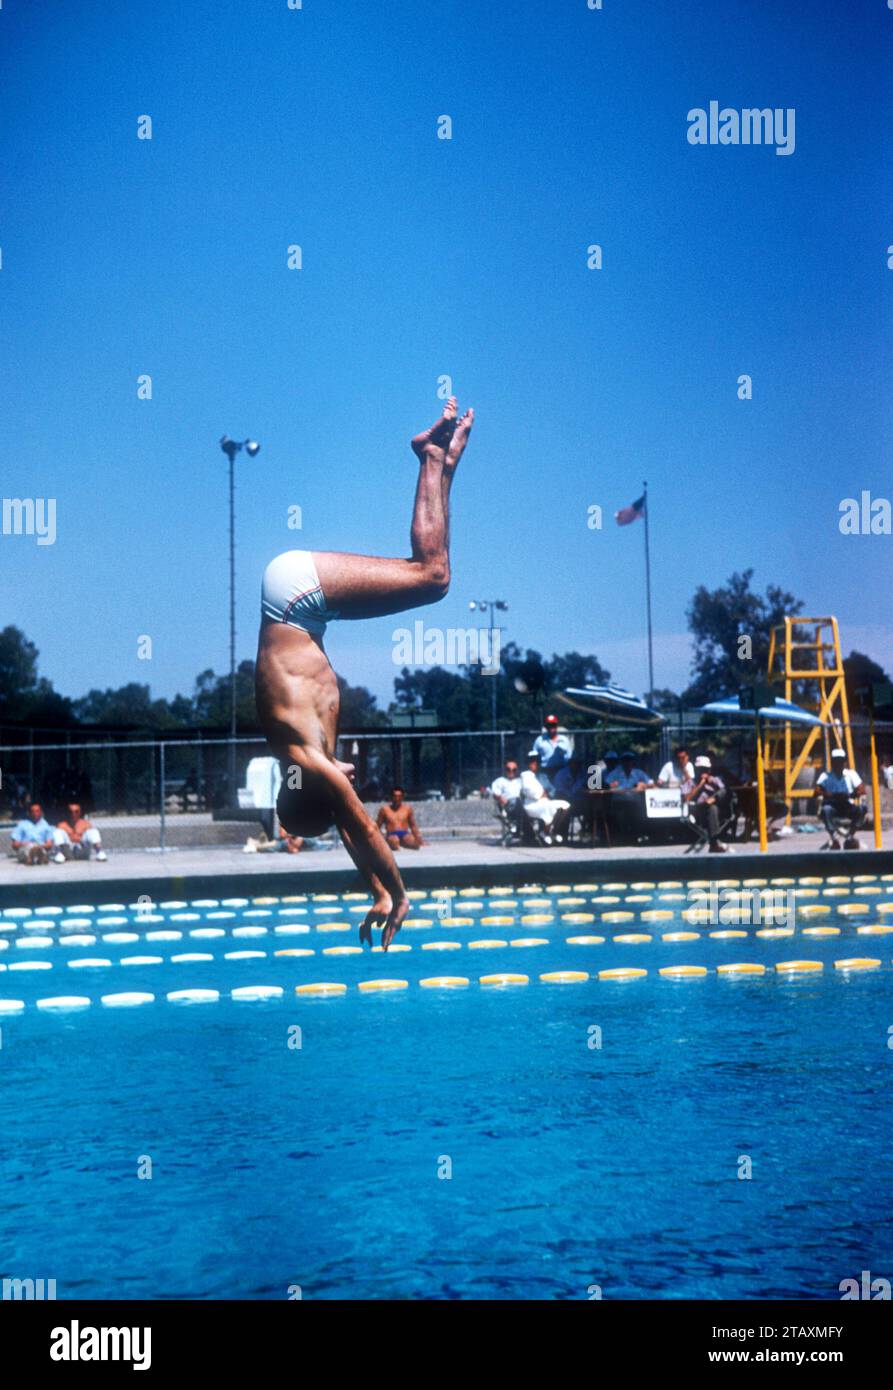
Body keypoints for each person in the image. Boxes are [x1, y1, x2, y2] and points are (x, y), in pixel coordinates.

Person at [255, 397, 473, 949]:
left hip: (295, 596)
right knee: (430, 576)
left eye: (337, 792)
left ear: (320, 793)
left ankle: (428, 458)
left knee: (432, 577)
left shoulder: (308, 761)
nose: (349, 782)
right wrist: (375, 888)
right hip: (296, 601)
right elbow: (354, 831)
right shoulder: (304, 761)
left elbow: (359, 823)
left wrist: (399, 894)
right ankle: (439, 466)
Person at [816, 748, 867, 849]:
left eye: (841, 761)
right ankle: (834, 838)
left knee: (862, 809)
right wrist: (830, 795)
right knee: (826, 810)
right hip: (832, 805)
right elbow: (816, 791)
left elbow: (862, 790)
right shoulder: (825, 775)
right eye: (836, 761)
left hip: (847, 804)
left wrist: (851, 794)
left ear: (844, 761)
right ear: (832, 762)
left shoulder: (851, 774)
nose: (838, 764)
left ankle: (850, 836)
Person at [520, 751, 570, 845]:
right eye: (531, 761)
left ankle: (551, 831)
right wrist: (542, 793)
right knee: (550, 807)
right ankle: (546, 832)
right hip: (532, 805)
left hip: (545, 801)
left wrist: (544, 793)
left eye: (536, 760)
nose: (534, 763)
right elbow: (532, 793)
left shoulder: (543, 776)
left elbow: (552, 791)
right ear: (528, 763)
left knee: (565, 805)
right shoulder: (525, 775)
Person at [683, 755, 729, 853]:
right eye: (700, 769)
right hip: (698, 812)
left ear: (709, 770)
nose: (702, 772)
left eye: (704, 769)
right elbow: (686, 799)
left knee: (713, 807)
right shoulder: (690, 782)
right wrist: (700, 785)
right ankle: (714, 842)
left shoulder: (715, 780)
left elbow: (725, 791)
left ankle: (714, 842)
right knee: (711, 809)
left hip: (716, 811)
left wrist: (714, 797)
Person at [376, 787, 424, 851]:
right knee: (395, 842)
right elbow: (377, 826)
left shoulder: (407, 809)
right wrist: (382, 838)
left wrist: (419, 839)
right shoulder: (384, 810)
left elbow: (413, 826)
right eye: (395, 796)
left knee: (416, 845)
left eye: (399, 796)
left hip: (404, 833)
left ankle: (402, 843)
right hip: (391, 834)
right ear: (391, 797)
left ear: (402, 797)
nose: (397, 798)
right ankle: (394, 844)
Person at [533, 715, 573, 789]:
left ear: (556, 726)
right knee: (546, 793)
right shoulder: (539, 740)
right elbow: (534, 758)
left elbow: (569, 757)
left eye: (553, 725)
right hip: (545, 772)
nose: (551, 727)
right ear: (546, 726)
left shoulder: (564, 740)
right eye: (549, 725)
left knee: (561, 793)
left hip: (561, 771)